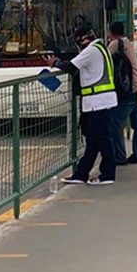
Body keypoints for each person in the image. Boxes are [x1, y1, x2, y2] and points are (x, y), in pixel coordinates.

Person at [52, 24, 119, 186]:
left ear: (84, 39)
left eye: (78, 41)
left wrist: (55, 63)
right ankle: (81, 174)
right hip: (98, 101)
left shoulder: (91, 50)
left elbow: (71, 66)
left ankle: (108, 174)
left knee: (102, 140)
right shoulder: (101, 48)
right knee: (93, 140)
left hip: (98, 101)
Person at [107, 21, 137, 165]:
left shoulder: (116, 43)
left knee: (116, 122)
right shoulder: (127, 42)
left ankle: (119, 156)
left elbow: (104, 57)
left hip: (128, 89)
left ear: (111, 32)